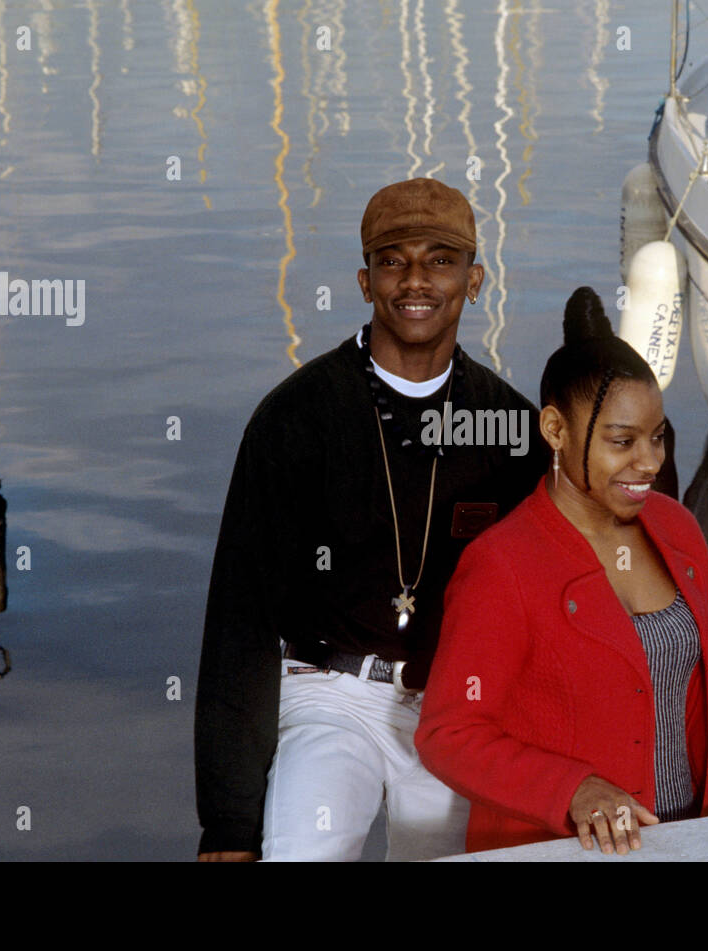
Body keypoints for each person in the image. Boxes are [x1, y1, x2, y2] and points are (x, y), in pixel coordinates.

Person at [194, 178, 548, 861]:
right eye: (394, 260)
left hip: (455, 703)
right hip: (330, 694)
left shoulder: (512, 428)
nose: (415, 279)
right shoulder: (295, 417)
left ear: (474, 280)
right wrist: (229, 822)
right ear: (365, 281)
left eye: (440, 260)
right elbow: (240, 615)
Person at [415, 287, 708, 855]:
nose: (650, 462)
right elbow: (448, 735)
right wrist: (572, 789)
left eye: (657, 437)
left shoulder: (676, 528)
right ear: (556, 431)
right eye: (621, 441)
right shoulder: (500, 564)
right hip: (563, 847)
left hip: (686, 840)